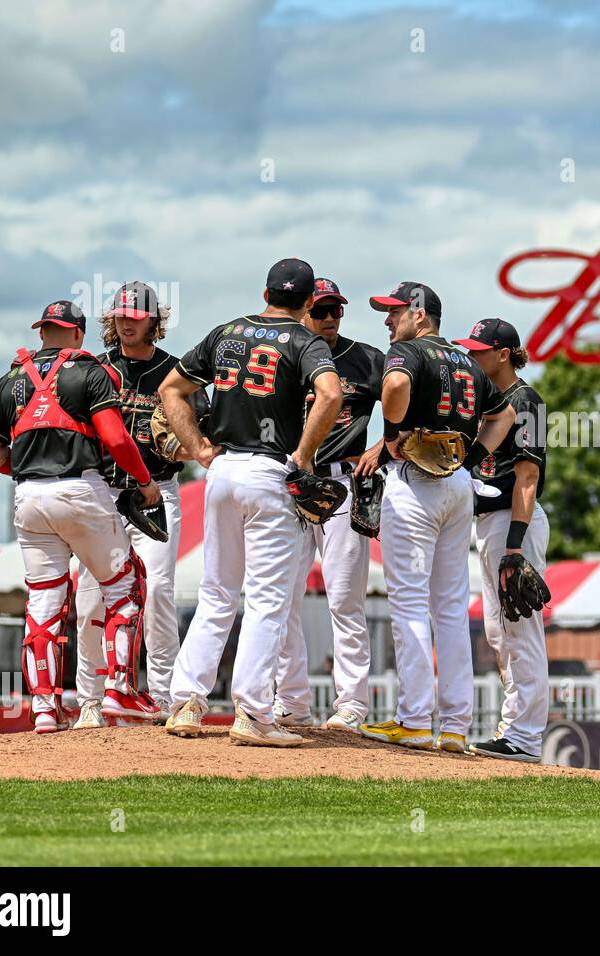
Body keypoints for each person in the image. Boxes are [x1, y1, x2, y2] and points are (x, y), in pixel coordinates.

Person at [160, 258, 342, 747]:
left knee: (218, 592)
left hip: (221, 473)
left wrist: (198, 448)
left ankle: (185, 702)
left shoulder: (226, 333)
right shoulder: (304, 340)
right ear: (308, 302)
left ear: (264, 291)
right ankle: (255, 713)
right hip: (268, 473)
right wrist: (303, 456)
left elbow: (170, 388)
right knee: (266, 598)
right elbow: (331, 393)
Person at [0, 299, 161, 733]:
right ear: (78, 334)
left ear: (42, 333)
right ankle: (119, 690)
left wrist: (20, 471)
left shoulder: (12, 378)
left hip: (28, 498)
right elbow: (115, 439)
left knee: (44, 602)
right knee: (124, 584)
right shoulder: (91, 370)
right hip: (80, 491)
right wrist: (145, 482)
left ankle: (44, 708)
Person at [358, 282, 515, 753]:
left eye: (395, 312)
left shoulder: (409, 352)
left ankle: (413, 721)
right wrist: (470, 462)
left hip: (415, 481)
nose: (388, 321)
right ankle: (453, 726)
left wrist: (389, 437)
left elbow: (396, 384)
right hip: (457, 485)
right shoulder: (466, 361)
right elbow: (504, 414)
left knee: (408, 604)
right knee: (449, 608)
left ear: (420, 316)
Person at [270, 278, 386, 732]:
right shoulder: (283, 354)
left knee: (345, 599)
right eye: (321, 310)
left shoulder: (366, 359)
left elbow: (409, 404)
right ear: (303, 312)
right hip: (291, 484)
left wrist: (384, 446)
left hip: (342, 485)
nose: (331, 318)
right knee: (282, 596)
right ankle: (293, 701)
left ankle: (352, 707)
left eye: (337, 310)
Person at [73, 283, 184, 729]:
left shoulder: (175, 373)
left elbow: (204, 428)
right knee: (89, 601)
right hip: (102, 494)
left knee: (157, 592)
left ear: (154, 321)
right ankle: (90, 700)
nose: (126, 321)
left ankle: (162, 695)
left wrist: (184, 442)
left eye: (135, 315)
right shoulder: (96, 370)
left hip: (157, 491)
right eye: (120, 314)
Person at [454, 319, 551, 762]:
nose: (472, 356)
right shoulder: (486, 402)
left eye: (480, 350)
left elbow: (527, 479)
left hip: (516, 522)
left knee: (520, 630)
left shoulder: (525, 400)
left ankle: (526, 737)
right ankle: (513, 731)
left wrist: (515, 545)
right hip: (490, 523)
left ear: (505, 354)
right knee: (498, 632)